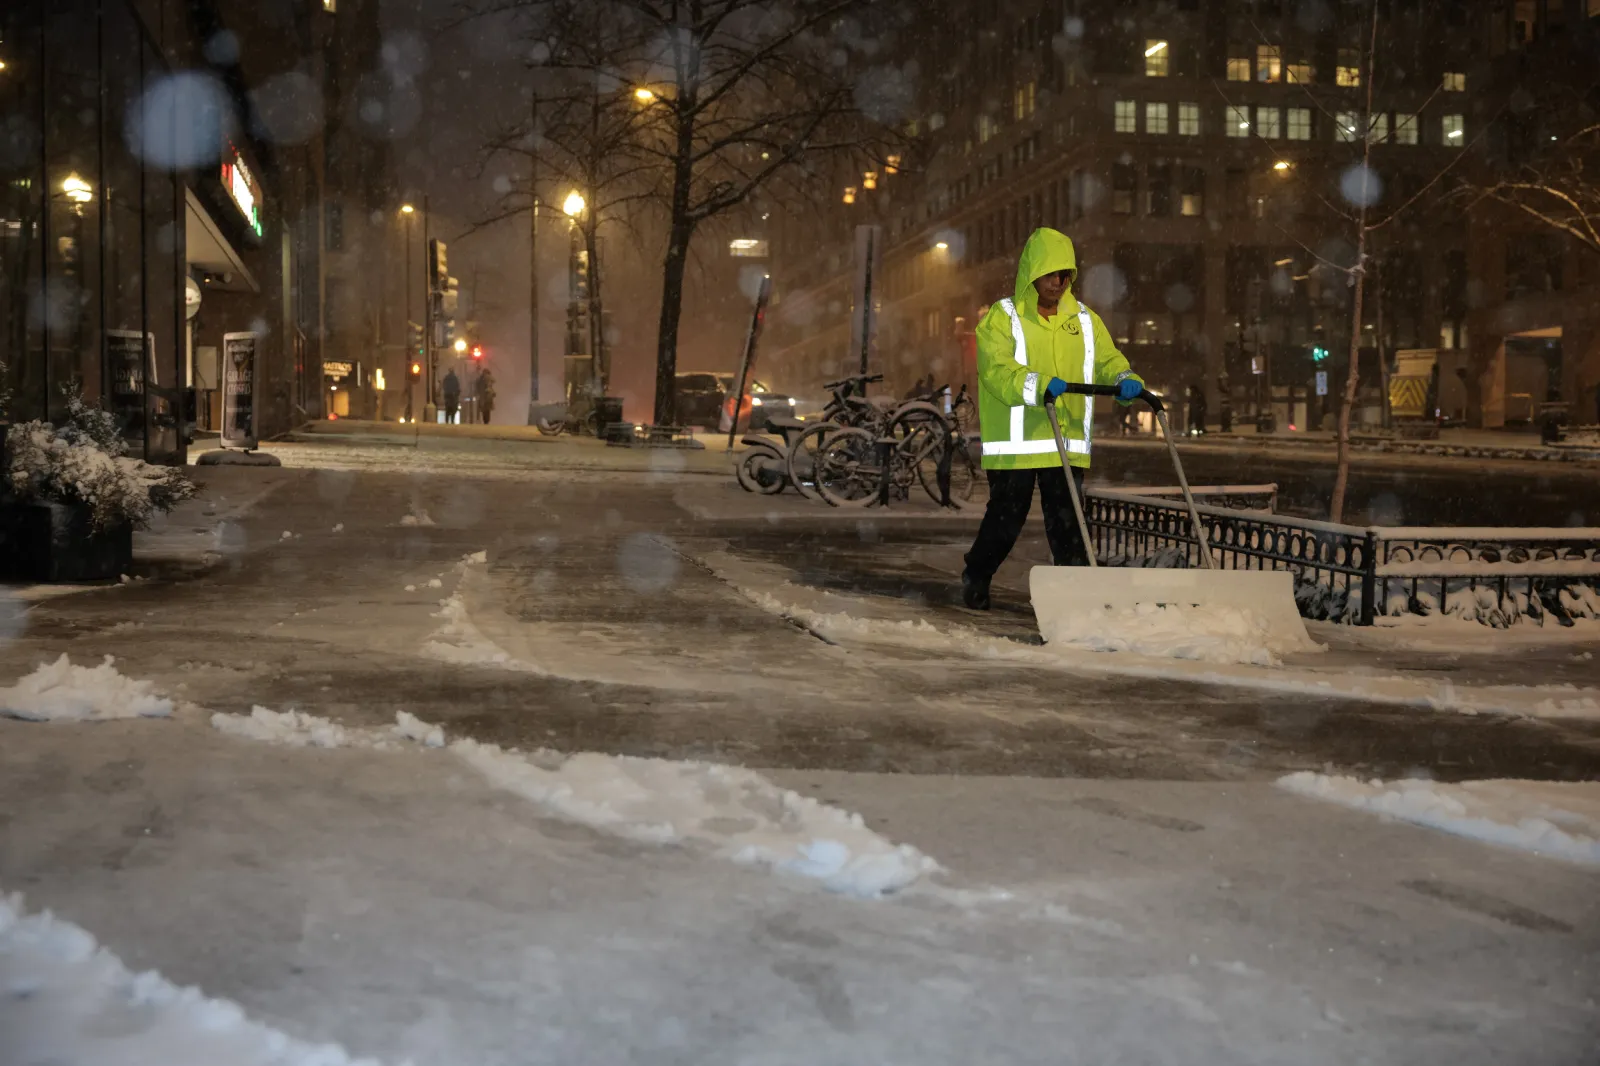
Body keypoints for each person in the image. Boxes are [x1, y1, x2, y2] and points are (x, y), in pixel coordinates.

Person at [961, 227, 1144, 610]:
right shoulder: (1003, 317)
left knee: (1068, 523)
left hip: (1066, 440)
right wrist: (1039, 384)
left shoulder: (1085, 320)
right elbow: (996, 369)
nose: (1058, 282)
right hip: (1018, 443)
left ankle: (1075, 596)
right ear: (1033, 272)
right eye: (1050, 273)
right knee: (1006, 520)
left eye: (1065, 274)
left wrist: (1124, 377)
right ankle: (977, 573)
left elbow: (1108, 359)